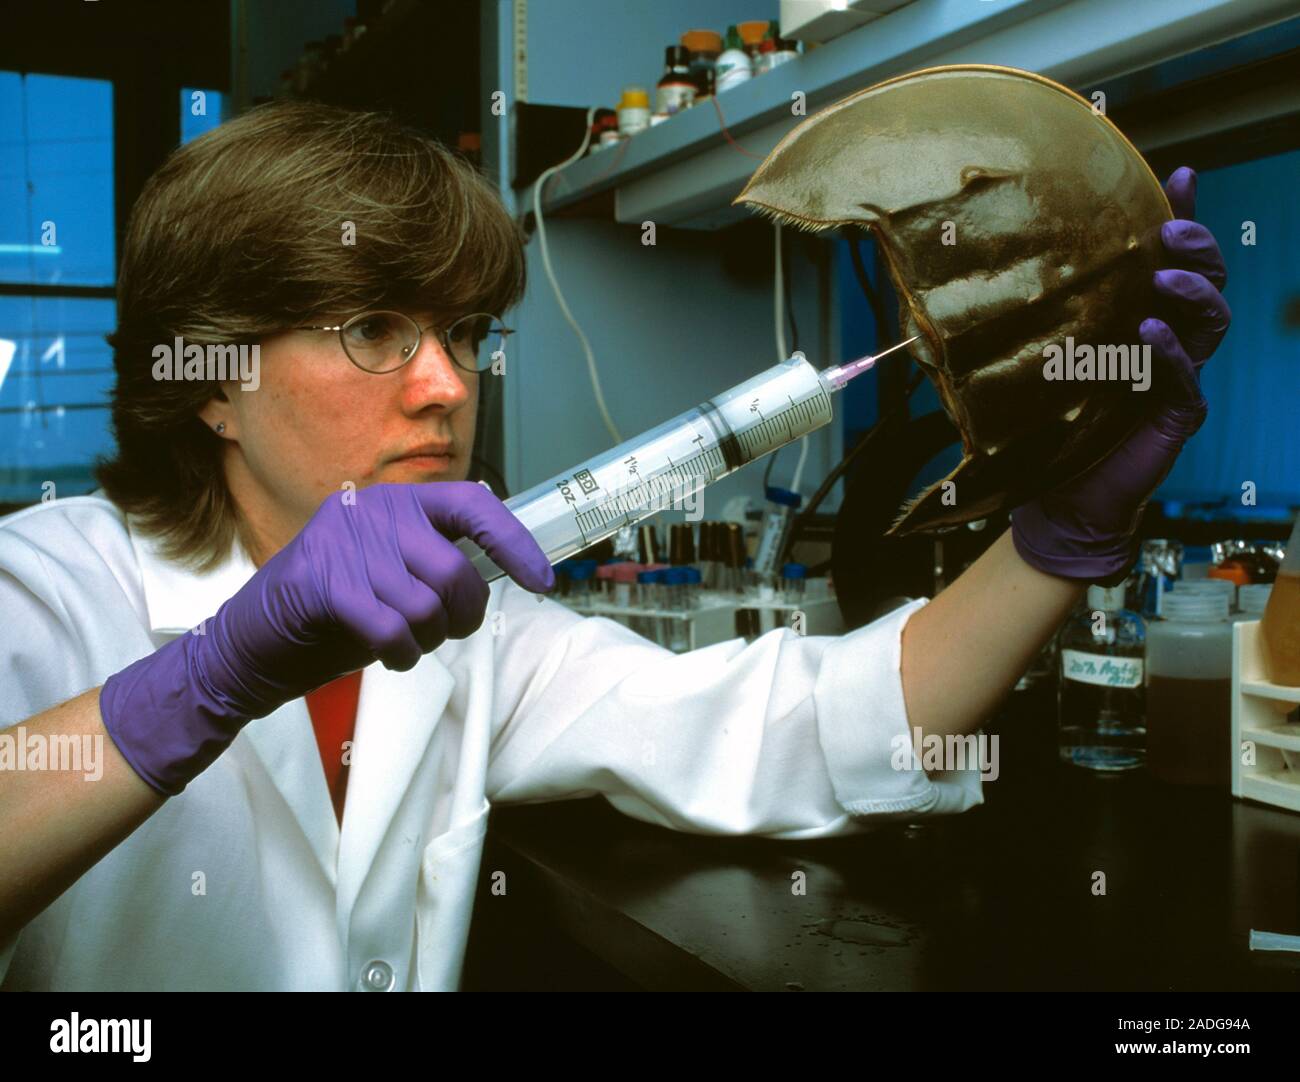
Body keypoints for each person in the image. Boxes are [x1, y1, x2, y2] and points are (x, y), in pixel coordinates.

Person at [0, 101, 1229, 991]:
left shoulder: (480, 630)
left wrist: (1061, 536)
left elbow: (802, 730)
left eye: (465, 329)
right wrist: (205, 679)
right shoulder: (44, 590)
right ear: (210, 381)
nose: (444, 384)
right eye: (373, 326)